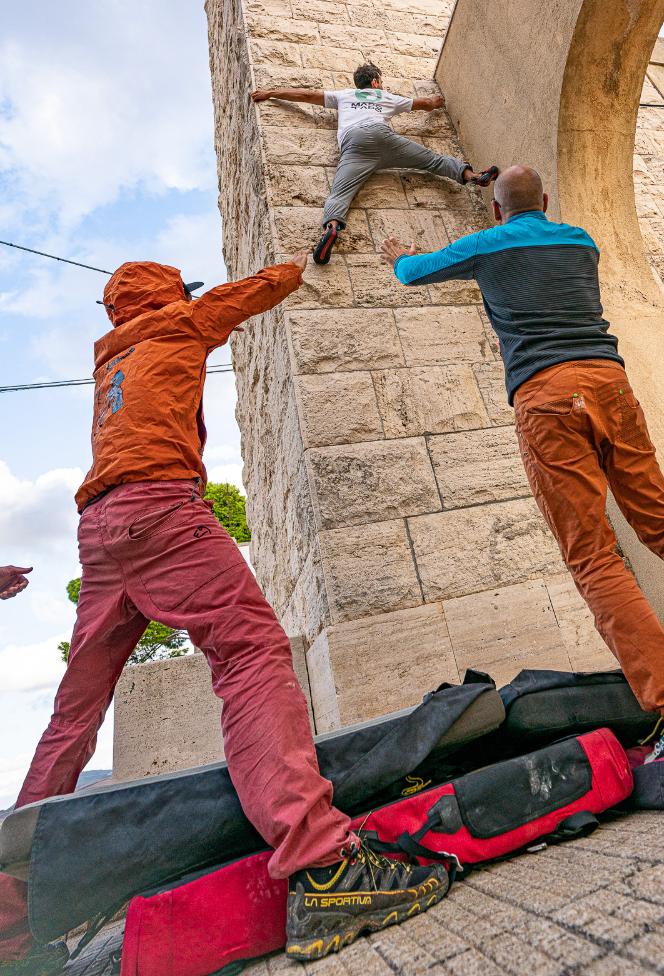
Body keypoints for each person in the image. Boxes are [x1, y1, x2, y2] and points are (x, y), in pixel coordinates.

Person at [0, 259, 448, 974]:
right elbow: (257, 291)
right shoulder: (178, 320)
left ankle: (8, 931)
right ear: (171, 296)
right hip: (159, 509)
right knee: (250, 656)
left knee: (71, 718)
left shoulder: (109, 356)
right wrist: (309, 255)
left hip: (99, 527)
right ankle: (323, 863)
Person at [380, 164, 664, 762]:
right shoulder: (580, 240)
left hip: (547, 400)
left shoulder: (487, 244)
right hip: (610, 384)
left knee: (595, 557)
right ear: (546, 200)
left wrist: (400, 253)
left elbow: (413, 273)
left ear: (497, 211)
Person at [251, 62, 498, 265]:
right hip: (384, 138)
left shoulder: (344, 95)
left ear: (358, 83)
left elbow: (306, 95)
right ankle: (473, 176)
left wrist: (271, 93)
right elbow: (425, 104)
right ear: (376, 82)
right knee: (433, 161)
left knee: (340, 193)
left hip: (355, 145)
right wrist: (438, 100)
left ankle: (332, 229)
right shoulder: (383, 96)